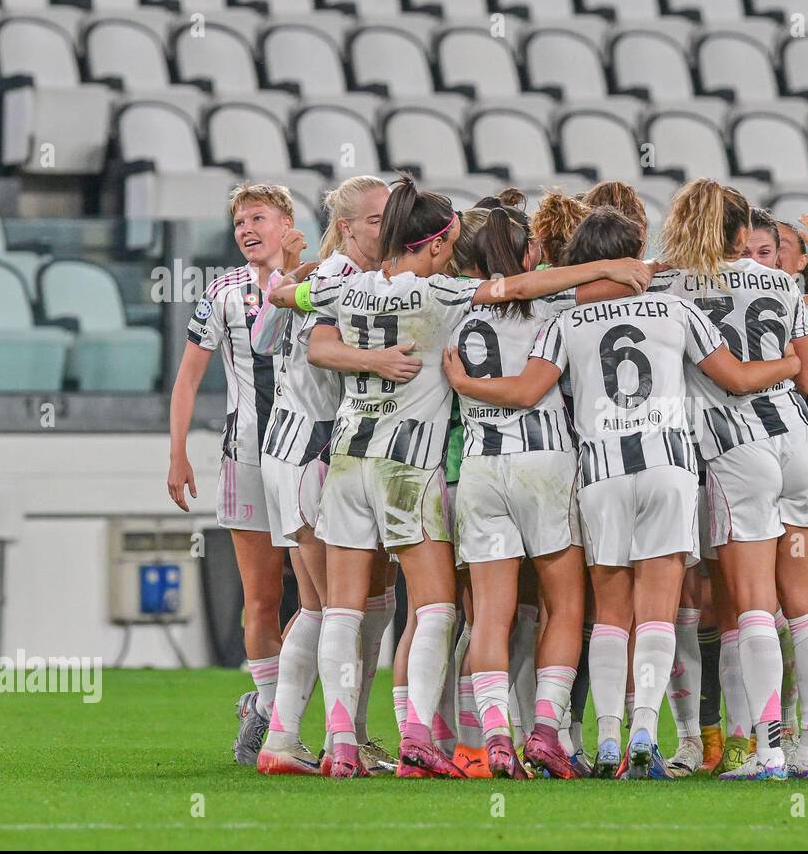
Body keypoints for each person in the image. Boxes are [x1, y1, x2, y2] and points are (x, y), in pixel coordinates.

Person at [269, 177, 653, 778]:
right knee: (438, 607)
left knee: (342, 611)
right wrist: (611, 266)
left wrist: (291, 278)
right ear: (438, 242)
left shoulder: (344, 286)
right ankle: (419, 736)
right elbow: (526, 286)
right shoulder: (445, 295)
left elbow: (284, 301)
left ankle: (340, 739)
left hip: (346, 458)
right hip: (408, 466)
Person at [444, 206, 802, 778]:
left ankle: (606, 739)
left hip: (600, 472)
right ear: (633, 250)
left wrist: (464, 383)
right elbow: (734, 379)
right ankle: (644, 731)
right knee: (658, 613)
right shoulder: (677, 308)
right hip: (669, 466)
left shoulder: (564, 321)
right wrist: (790, 363)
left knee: (609, 614)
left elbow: (530, 389)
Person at [652, 179, 808, 781]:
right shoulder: (784, 281)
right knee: (804, 607)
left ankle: (768, 751)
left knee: (753, 607)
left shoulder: (675, 284)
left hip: (739, 449)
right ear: (742, 234)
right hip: (801, 449)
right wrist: (780, 364)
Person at [250, 175, 398, 775]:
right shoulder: (340, 279)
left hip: (294, 447)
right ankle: (338, 740)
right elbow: (319, 350)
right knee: (344, 604)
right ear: (346, 227)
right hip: (312, 450)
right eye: (374, 221)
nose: (386, 229)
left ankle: (289, 738)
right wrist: (378, 361)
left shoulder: (325, 277)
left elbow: (265, 337)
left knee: (322, 606)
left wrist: (286, 284)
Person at [447, 204, 589, 780]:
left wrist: (464, 384)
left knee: (490, 615)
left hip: (482, 466)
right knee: (565, 604)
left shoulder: (451, 307)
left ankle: (496, 735)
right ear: (527, 254)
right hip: (546, 462)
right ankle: (548, 732)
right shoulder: (556, 307)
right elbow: (533, 391)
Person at [168, 182, 301, 766]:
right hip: (245, 455)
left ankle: (275, 706)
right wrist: (177, 451)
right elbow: (188, 378)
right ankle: (271, 716)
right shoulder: (222, 293)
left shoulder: (322, 280)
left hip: (307, 454)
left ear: (286, 222)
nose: (247, 229)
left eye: (258, 218)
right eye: (239, 222)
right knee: (261, 598)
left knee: (327, 599)